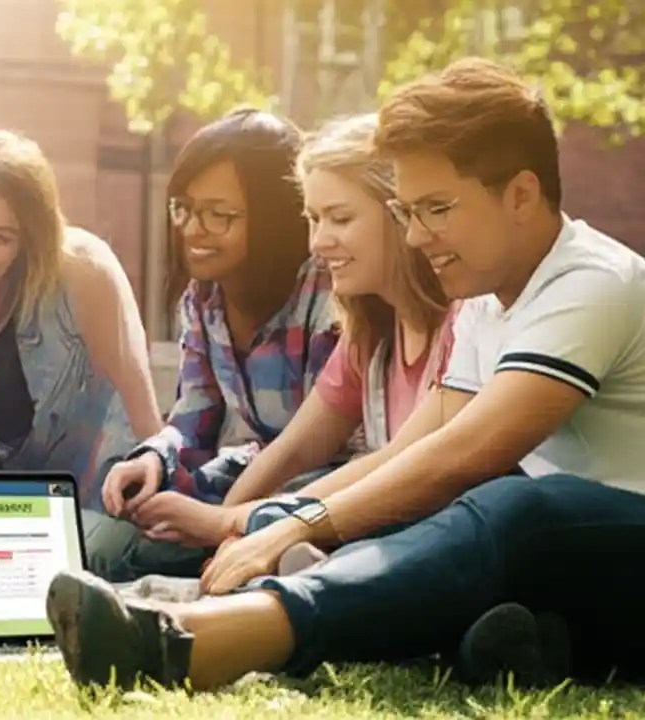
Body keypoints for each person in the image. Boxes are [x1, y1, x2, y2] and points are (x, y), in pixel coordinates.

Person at [44, 58, 645, 692]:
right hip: (570, 566)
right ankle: (519, 643)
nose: (416, 237)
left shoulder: (591, 284)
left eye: (437, 209)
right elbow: (413, 450)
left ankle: (192, 642)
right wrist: (279, 520)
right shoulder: (484, 301)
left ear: (520, 195)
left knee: (511, 501)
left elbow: (468, 454)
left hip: (610, 543)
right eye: (409, 212)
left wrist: (294, 523)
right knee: (439, 518)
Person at [123, 114, 456, 564]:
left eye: (339, 218)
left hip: (396, 520)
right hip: (313, 506)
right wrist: (228, 530)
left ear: (400, 215)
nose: (318, 244)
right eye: (313, 220)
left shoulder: (459, 320)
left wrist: (236, 524)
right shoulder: (367, 327)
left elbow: (397, 464)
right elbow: (290, 449)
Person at [84, 109, 341, 582]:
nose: (193, 229)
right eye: (184, 207)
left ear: (277, 218)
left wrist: (223, 516)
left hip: (322, 492)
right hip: (246, 483)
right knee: (104, 547)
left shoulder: (326, 295)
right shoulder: (204, 299)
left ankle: (285, 573)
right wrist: (152, 460)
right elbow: (193, 419)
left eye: (218, 215)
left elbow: (320, 451)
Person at [0, 128, 162, 505]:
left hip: (103, 496)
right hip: (0, 501)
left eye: (1, 237)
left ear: (27, 241)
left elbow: (145, 425)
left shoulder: (81, 270)